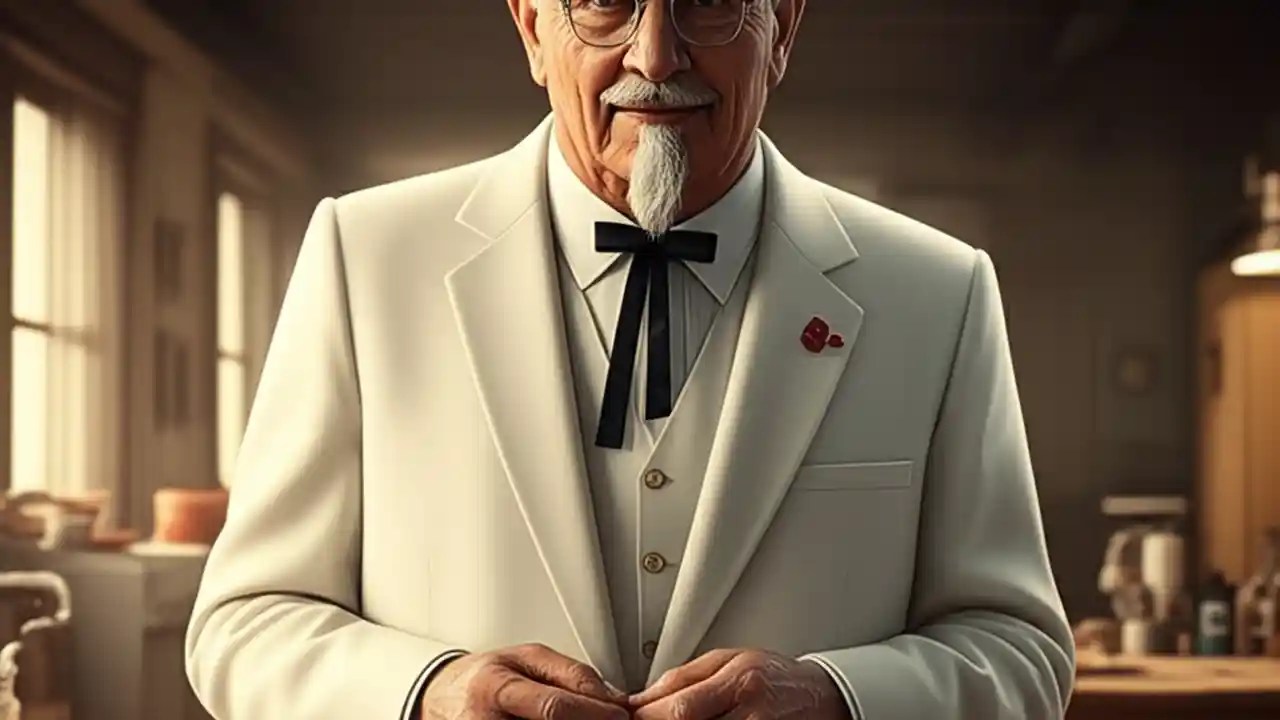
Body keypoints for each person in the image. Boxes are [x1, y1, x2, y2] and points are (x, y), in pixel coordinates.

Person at [184, 0, 1076, 718]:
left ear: (785, 28)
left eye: (711, 4)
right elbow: (243, 624)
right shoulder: (362, 255)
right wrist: (427, 694)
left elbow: (1020, 647)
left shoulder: (938, 290)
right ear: (532, 26)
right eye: (605, 5)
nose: (656, 55)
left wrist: (841, 699)